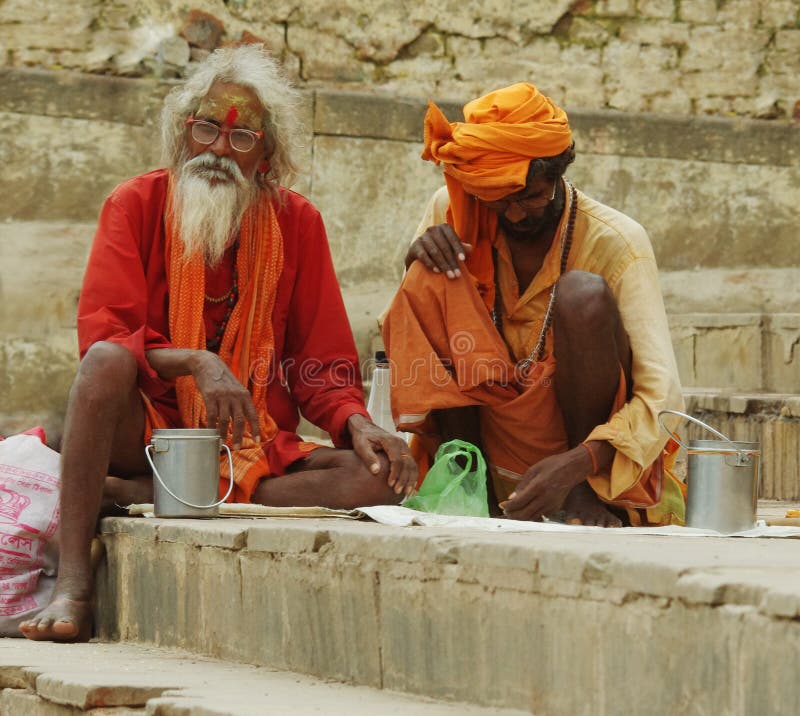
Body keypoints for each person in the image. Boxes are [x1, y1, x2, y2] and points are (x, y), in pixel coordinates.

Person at [20, 44, 416, 642]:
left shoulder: (297, 223)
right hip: (150, 425)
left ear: (268, 155)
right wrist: (198, 362)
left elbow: (320, 366)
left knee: (382, 478)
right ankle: (73, 583)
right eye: (206, 127)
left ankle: (146, 494)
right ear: (183, 134)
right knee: (105, 363)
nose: (218, 150)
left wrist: (358, 424)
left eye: (242, 137)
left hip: (246, 438)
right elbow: (106, 335)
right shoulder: (136, 204)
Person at [382, 83, 685, 528]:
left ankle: (582, 497)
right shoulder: (456, 207)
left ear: (559, 172)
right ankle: (473, 485)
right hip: (483, 433)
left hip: (585, 464)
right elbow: (419, 325)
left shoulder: (617, 240)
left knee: (582, 295)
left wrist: (581, 463)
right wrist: (415, 260)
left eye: (531, 196)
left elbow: (664, 394)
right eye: (498, 200)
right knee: (430, 270)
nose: (515, 214)